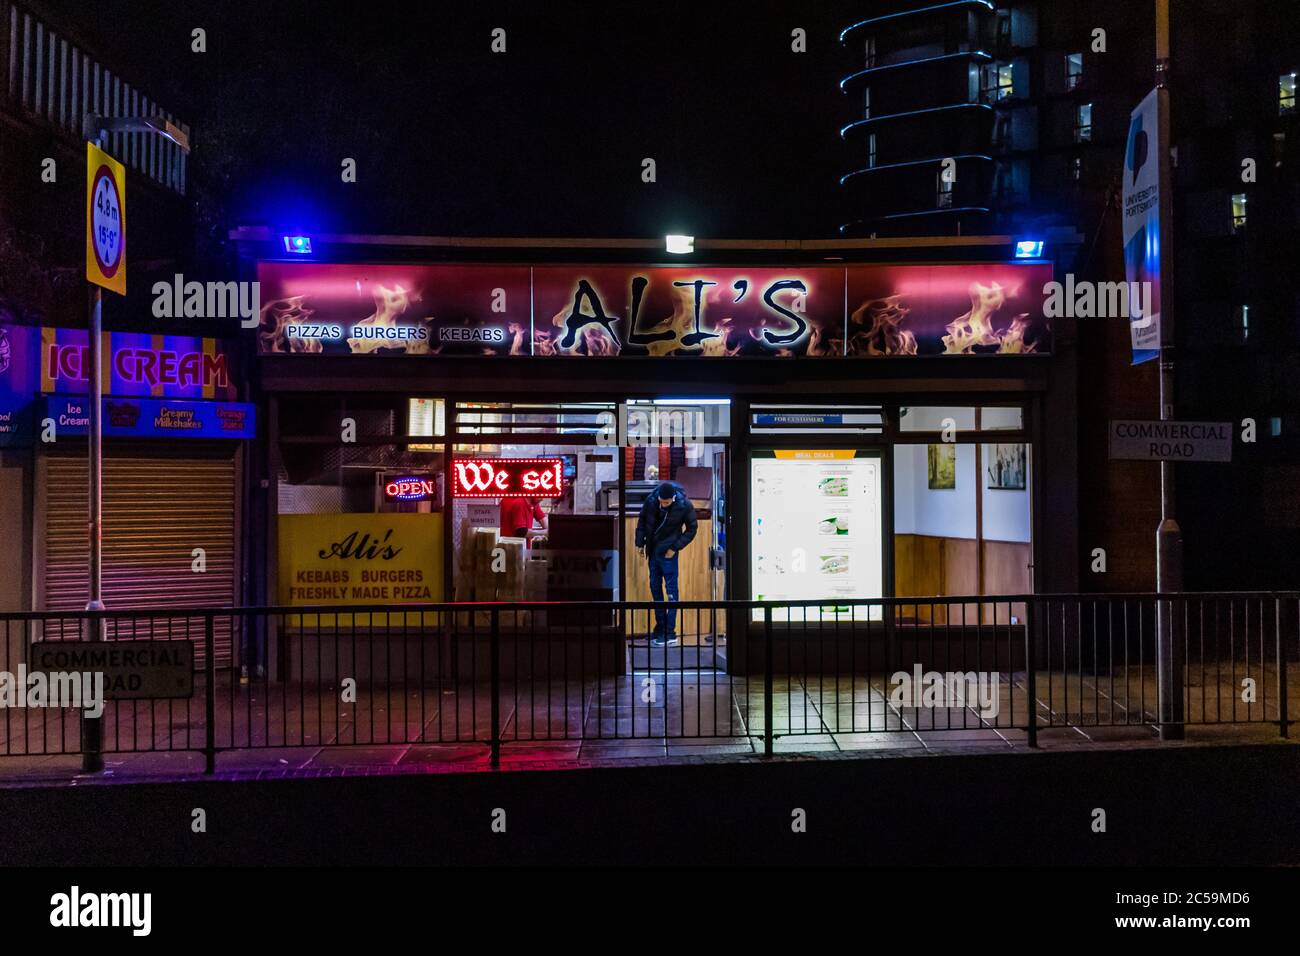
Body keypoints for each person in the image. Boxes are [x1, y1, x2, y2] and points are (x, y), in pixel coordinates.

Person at [634, 480, 698, 646]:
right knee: (655, 590)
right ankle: (660, 628)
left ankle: (670, 632)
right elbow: (642, 521)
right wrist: (640, 542)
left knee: (671, 593)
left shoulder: (684, 505)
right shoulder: (652, 500)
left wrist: (675, 548)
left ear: (674, 499)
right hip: (653, 552)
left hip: (669, 553)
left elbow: (692, 529)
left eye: (667, 503)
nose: (663, 505)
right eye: (662, 502)